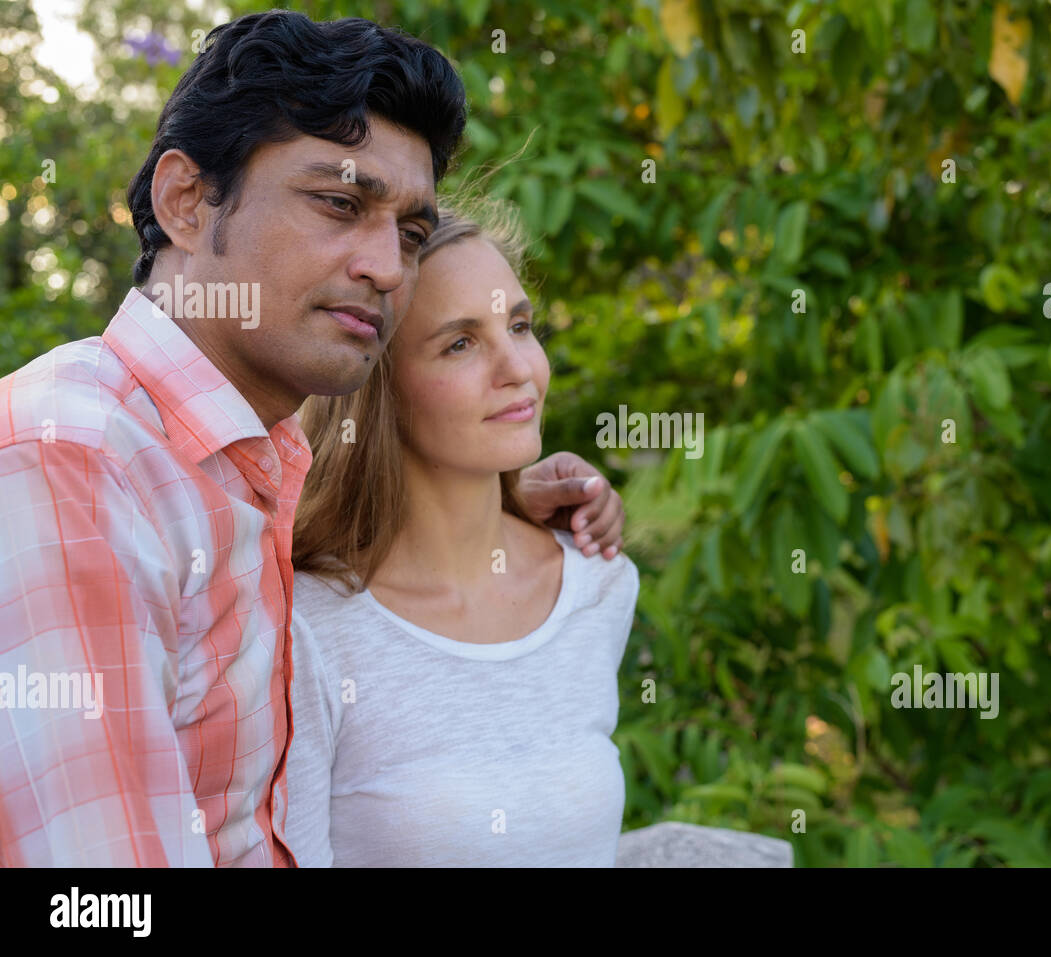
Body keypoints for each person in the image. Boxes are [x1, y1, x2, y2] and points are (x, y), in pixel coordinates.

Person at [0, 11, 623, 867]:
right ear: (186, 201)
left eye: (408, 231)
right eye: (339, 202)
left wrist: (514, 495)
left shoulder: (251, 463)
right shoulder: (75, 459)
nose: (387, 268)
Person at [284, 201, 637, 866]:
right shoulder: (308, 626)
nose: (519, 368)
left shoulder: (598, 582)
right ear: (376, 384)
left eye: (520, 325)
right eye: (460, 342)